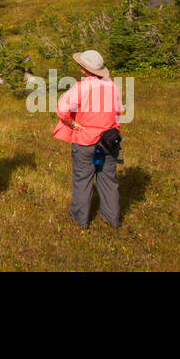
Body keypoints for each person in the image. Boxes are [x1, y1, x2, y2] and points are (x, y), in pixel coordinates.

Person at [53, 49, 124, 228]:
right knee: (108, 179)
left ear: (85, 69)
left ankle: (79, 220)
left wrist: (72, 123)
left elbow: (62, 109)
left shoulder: (81, 87)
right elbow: (118, 112)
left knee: (82, 179)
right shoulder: (112, 86)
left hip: (85, 139)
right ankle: (112, 220)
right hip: (109, 140)